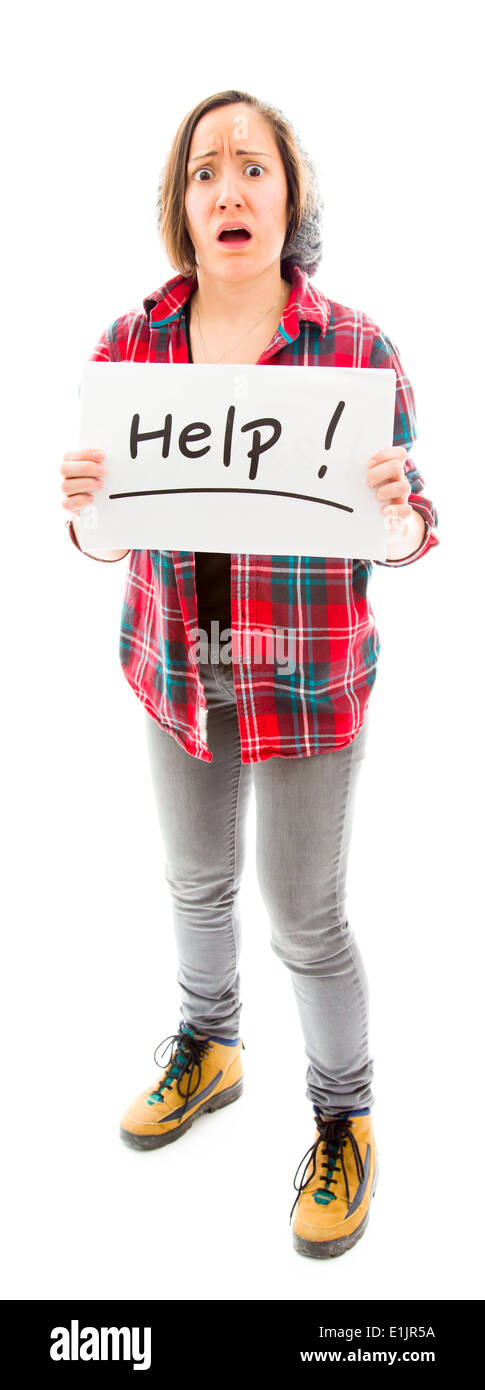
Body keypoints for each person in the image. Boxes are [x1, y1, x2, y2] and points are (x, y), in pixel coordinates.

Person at [61, 89, 439, 1260]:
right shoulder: (130, 348)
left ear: (290, 197)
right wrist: (88, 518)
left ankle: (342, 1117)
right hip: (180, 668)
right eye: (203, 171)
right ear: (182, 209)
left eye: (253, 168)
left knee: (306, 916)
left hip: (305, 679)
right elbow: (103, 533)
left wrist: (394, 514)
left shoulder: (356, 349)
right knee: (193, 882)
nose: (228, 188)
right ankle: (209, 1043)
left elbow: (413, 526)